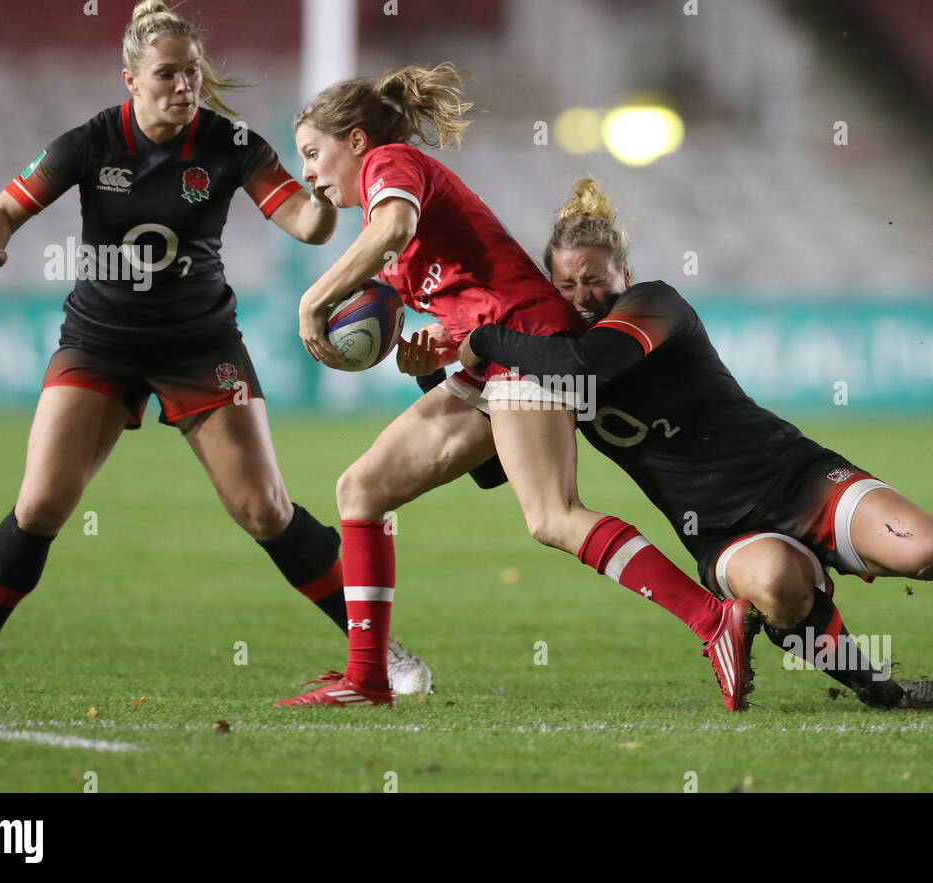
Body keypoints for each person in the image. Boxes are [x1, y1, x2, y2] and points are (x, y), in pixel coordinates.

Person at [456, 178, 933, 709]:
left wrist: (482, 339)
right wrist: (468, 380)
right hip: (720, 531)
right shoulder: (544, 358)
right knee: (772, 586)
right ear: (551, 282)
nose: (583, 295)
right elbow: (498, 471)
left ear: (623, 271)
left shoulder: (653, 304)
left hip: (798, 478)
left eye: (595, 280)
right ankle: (884, 690)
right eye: (567, 283)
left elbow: (592, 366)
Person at [0, 0, 431, 697]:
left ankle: (381, 652)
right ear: (131, 79)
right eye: (167, 75)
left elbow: (307, 225)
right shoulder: (90, 142)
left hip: (199, 342)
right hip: (99, 340)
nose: (184, 87)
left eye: (192, 74)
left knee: (265, 509)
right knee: (41, 504)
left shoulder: (230, 145)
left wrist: (331, 189)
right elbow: (2, 206)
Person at [279, 64, 759, 710]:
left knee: (554, 515)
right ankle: (366, 678)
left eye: (312, 152)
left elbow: (393, 232)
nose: (306, 171)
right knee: (360, 489)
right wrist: (427, 348)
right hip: (491, 359)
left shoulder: (390, 165)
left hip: (527, 342)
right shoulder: (380, 207)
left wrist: (314, 299)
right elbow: (432, 300)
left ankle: (711, 617)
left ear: (357, 140)